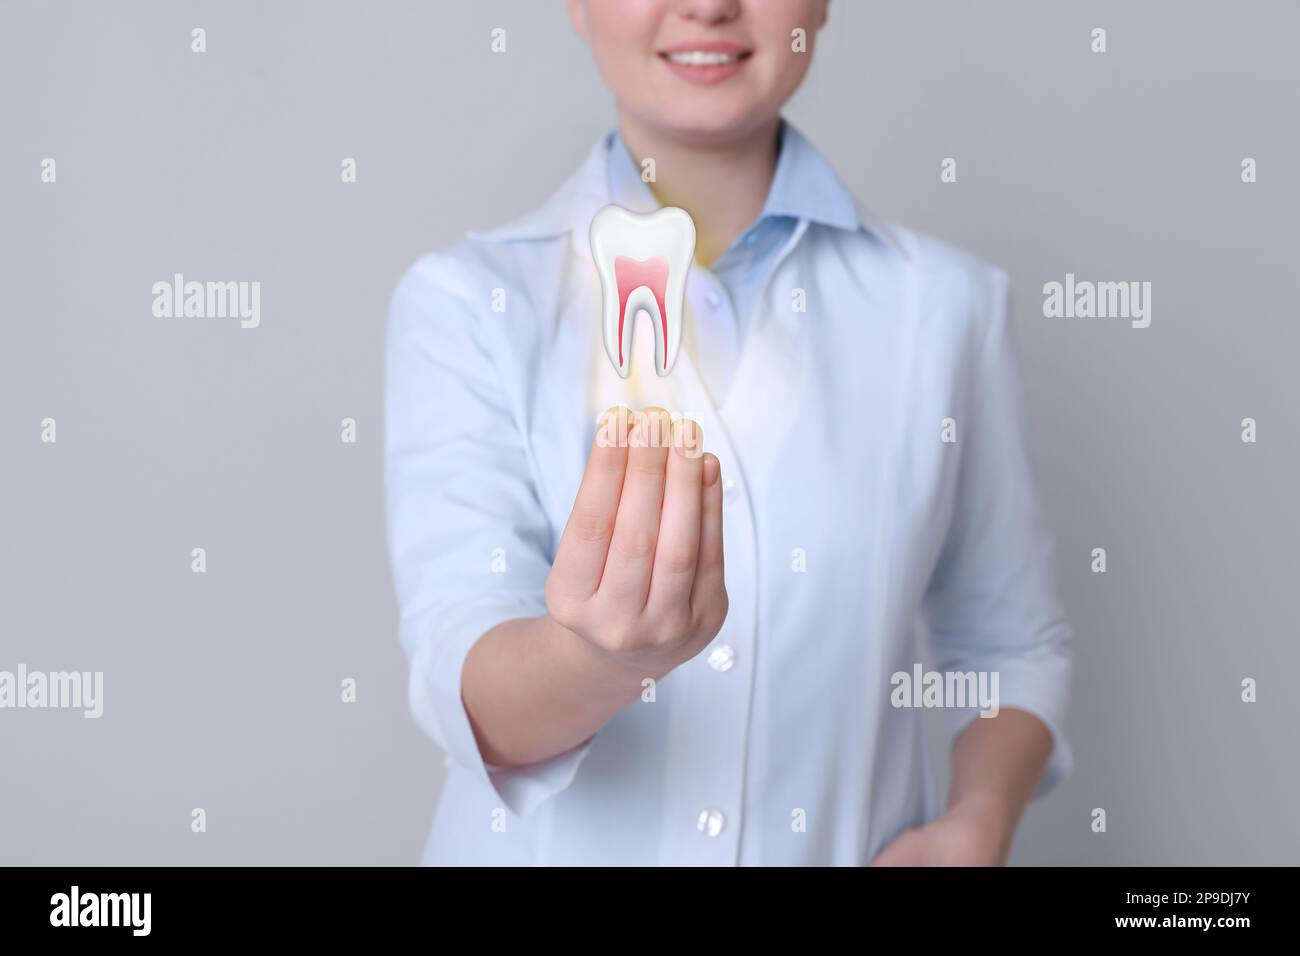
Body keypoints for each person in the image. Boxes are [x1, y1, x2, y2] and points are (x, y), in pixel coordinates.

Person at [384, 0, 1072, 866]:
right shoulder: (466, 304)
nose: (708, 4)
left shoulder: (944, 308)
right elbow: (465, 677)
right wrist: (596, 660)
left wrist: (978, 823)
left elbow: (1009, 641)